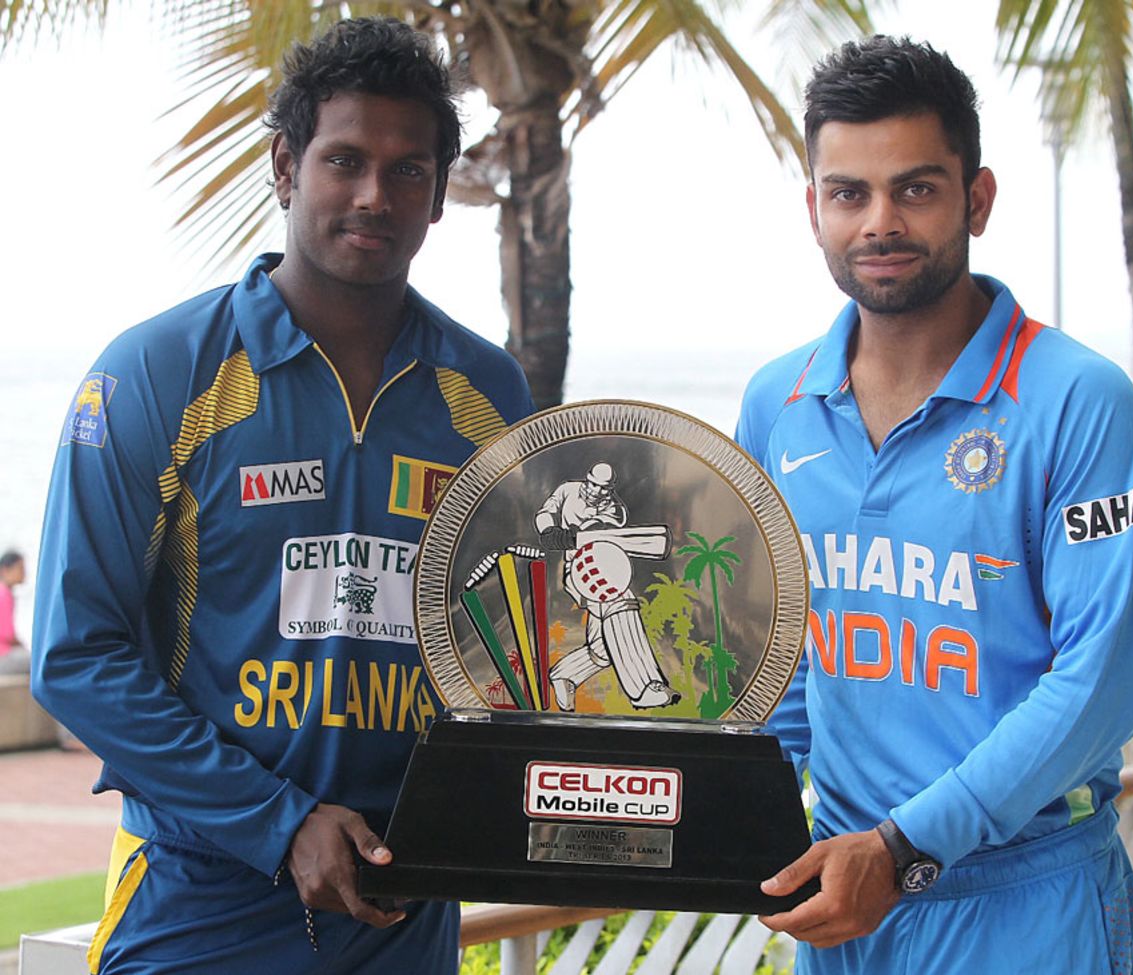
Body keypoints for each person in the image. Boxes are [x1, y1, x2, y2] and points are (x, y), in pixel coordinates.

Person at [32, 18, 533, 975]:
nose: (373, 195)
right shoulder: (155, 374)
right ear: (284, 166)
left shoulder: (489, 397)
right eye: (344, 160)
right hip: (197, 899)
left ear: (438, 197)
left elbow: (511, 651)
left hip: (403, 905)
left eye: (409, 169)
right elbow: (75, 654)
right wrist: (280, 820)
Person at [735, 35, 1133, 975]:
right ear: (815, 209)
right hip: (847, 893)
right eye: (849, 193)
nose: (879, 221)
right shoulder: (780, 401)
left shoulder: (1077, 398)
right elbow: (781, 662)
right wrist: (730, 812)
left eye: (916, 188)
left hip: (1026, 891)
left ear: (976, 198)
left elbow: (1109, 681)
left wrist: (905, 847)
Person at [535, 463, 679, 710]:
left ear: (610, 489)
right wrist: (549, 530)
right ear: (586, 479)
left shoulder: (615, 509)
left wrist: (573, 536)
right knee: (619, 599)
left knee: (603, 645)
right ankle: (644, 687)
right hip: (578, 569)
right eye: (592, 483)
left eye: (602, 488)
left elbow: (598, 532)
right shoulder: (568, 489)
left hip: (603, 562)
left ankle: (566, 674)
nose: (595, 491)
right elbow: (546, 512)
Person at [0, 550, 29, 674]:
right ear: (5, 570)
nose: (24, 573)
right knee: (40, 662)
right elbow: (7, 634)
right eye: (20, 568)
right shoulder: (4, 594)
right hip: (3, 655)